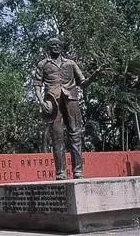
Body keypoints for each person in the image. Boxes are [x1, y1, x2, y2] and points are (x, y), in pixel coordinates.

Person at [34, 38, 100, 180]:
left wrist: (95, 75)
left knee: (75, 134)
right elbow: (37, 85)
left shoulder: (71, 63)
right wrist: (41, 102)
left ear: (61, 47)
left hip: (71, 100)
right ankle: (60, 172)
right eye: (53, 45)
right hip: (53, 102)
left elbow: (83, 83)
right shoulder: (43, 64)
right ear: (48, 48)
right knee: (57, 137)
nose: (56, 47)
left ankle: (77, 171)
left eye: (58, 45)